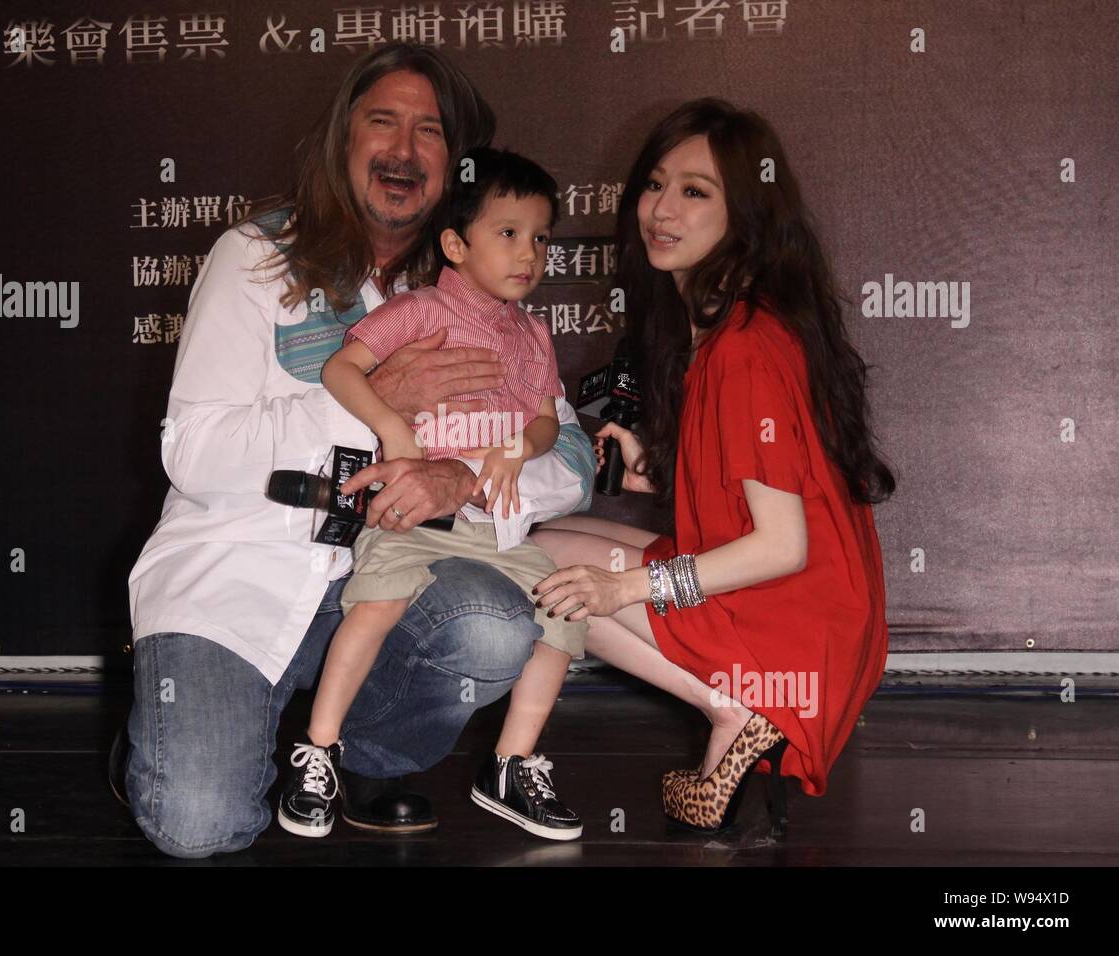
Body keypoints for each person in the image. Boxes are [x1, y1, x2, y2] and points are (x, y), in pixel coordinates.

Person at [120, 44, 596, 858]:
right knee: (196, 822)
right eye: (383, 123)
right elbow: (193, 448)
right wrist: (376, 413)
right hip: (243, 573)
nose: (404, 149)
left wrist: (464, 475)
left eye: (430, 131)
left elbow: (572, 462)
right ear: (344, 140)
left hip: (390, 574)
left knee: (493, 625)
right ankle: (200, 733)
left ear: (458, 167)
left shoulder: (479, 286)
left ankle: (366, 757)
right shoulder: (256, 256)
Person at [528, 98, 894, 833]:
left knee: (543, 564)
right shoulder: (737, 322)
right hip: (819, 609)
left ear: (748, 212)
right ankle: (738, 702)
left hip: (795, 617)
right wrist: (663, 474)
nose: (660, 210)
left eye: (695, 192)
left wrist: (626, 587)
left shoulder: (743, 347)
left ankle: (734, 707)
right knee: (561, 539)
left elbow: (781, 544)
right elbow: (762, 483)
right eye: (656, 185)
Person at [278, 147, 587, 842]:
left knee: (563, 608)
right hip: (410, 511)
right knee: (378, 600)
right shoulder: (419, 310)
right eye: (507, 233)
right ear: (455, 243)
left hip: (492, 529)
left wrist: (518, 449)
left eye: (540, 237)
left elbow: (544, 417)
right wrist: (394, 430)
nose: (528, 253)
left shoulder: (534, 333)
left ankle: (511, 763)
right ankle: (320, 751)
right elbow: (342, 368)